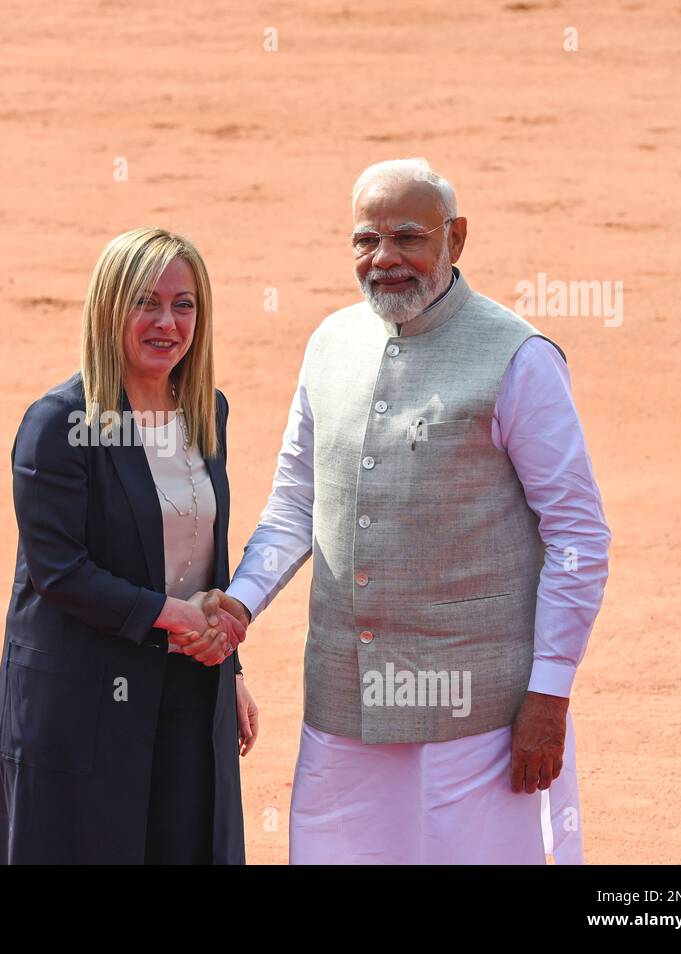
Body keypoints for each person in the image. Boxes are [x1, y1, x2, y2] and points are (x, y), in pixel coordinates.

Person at [201, 158, 610, 864]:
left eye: (408, 238)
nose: (384, 259)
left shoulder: (519, 357)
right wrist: (240, 604)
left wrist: (550, 694)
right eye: (366, 240)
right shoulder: (329, 345)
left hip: (478, 710)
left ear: (457, 238)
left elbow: (578, 534)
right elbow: (296, 501)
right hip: (345, 699)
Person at [0, 226, 259, 865]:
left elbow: (203, 553)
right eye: (147, 302)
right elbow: (60, 572)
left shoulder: (205, 411)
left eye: (184, 304)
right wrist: (174, 619)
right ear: (109, 309)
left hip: (190, 685)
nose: (168, 322)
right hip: (85, 697)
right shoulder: (60, 423)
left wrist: (230, 671)